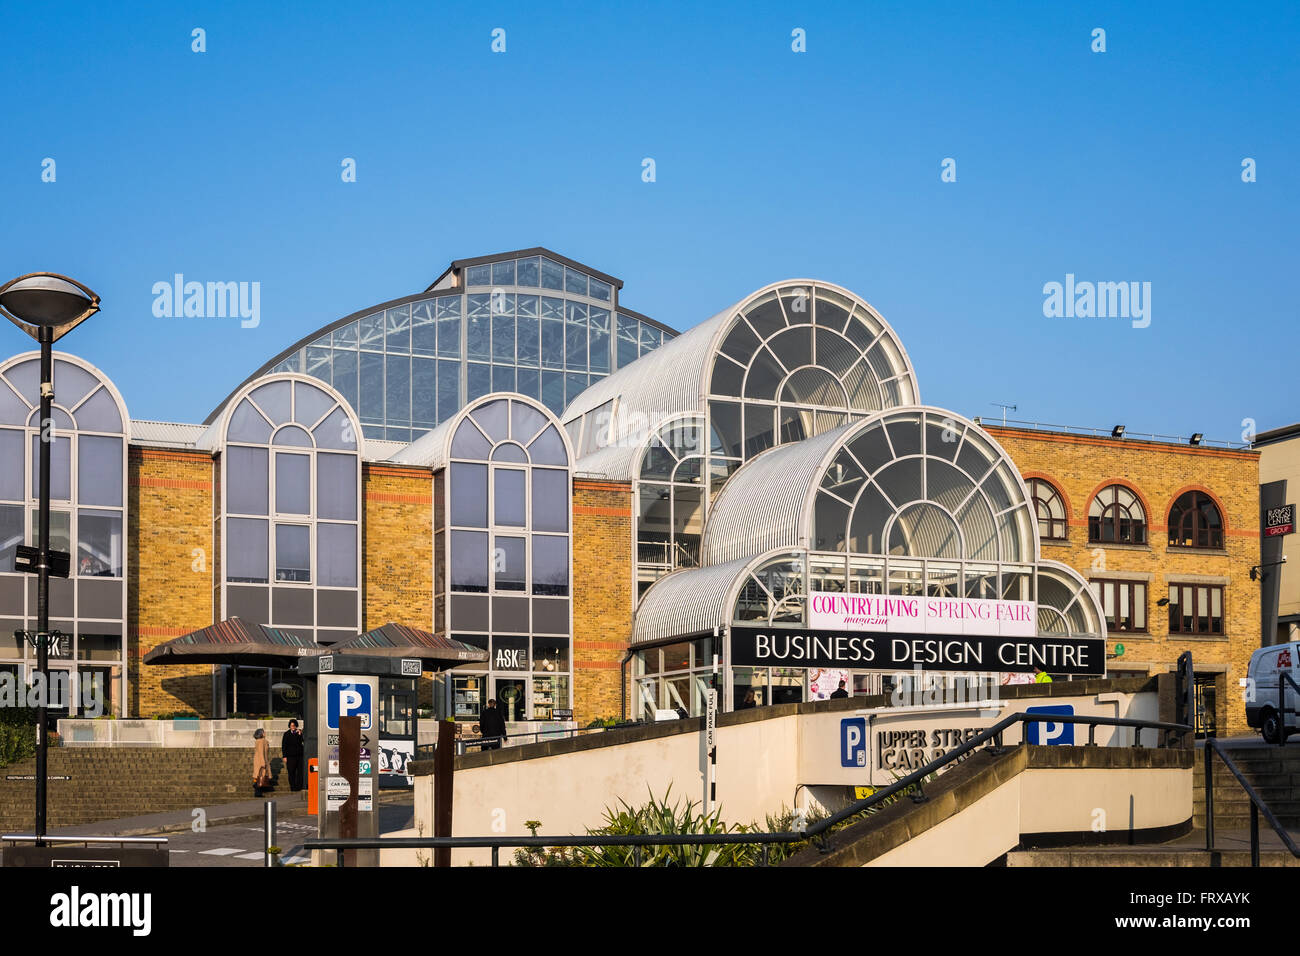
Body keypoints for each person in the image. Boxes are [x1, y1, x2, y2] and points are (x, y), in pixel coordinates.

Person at [281, 719, 305, 792]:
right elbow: (284, 746)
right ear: (289, 726)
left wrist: (300, 735)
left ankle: (299, 787)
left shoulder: (299, 733)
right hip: (290, 756)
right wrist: (284, 756)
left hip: (299, 756)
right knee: (291, 772)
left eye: (294, 725)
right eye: (291, 725)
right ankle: (293, 787)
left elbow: (303, 742)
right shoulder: (286, 734)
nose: (293, 727)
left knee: (300, 772)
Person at [252, 728, 272, 797]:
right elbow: (261, 752)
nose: (265, 733)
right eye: (264, 732)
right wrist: (263, 762)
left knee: (259, 776)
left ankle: (257, 790)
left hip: (258, 760)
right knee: (261, 776)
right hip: (261, 760)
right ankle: (257, 791)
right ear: (261, 734)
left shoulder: (259, 741)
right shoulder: (261, 741)